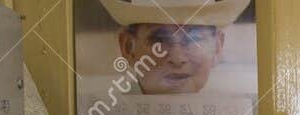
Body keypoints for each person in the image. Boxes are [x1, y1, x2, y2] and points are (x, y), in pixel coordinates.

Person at [100, 0, 249, 95]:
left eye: (194, 39)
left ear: (217, 48)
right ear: (128, 48)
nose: (177, 59)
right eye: (159, 40)